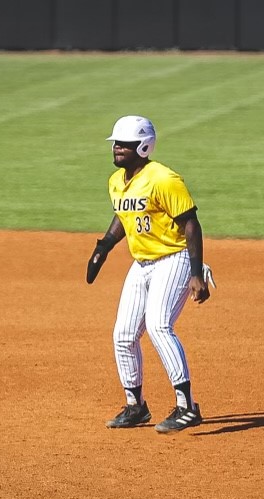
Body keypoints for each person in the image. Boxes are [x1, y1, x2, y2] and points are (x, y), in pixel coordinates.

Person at [86, 115, 211, 434]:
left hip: (174, 258)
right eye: (115, 143)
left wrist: (196, 273)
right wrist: (104, 246)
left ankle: (187, 407)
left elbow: (191, 224)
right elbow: (124, 213)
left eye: (124, 144)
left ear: (143, 147)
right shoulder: (116, 181)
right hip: (141, 263)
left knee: (158, 326)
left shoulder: (164, 179)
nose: (116, 148)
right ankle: (135, 406)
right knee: (123, 334)